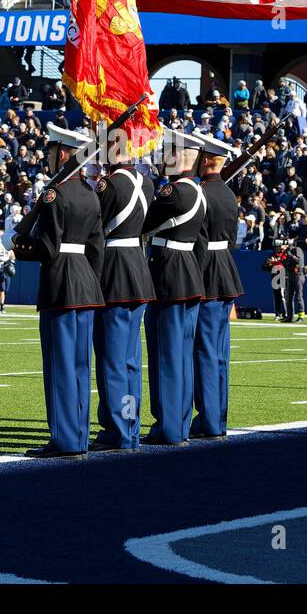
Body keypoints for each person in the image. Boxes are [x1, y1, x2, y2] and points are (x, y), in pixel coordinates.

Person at [12, 123, 105, 459]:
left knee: (60, 364)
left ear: (63, 153)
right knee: (80, 365)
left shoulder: (55, 194)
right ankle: (78, 434)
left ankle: (65, 439)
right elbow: (97, 249)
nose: (49, 157)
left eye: (52, 151)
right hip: (86, 284)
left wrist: (23, 246)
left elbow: (49, 248)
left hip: (61, 283)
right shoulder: (91, 194)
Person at [142, 128, 207, 447]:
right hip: (188, 275)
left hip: (167, 275)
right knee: (180, 355)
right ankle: (179, 421)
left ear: (180, 156)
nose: (162, 157)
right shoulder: (197, 192)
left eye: (167, 152)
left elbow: (143, 223)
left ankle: (168, 426)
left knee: (166, 355)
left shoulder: (173, 193)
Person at [91, 143, 156, 452]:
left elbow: (93, 224)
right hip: (138, 270)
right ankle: (129, 425)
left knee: (112, 360)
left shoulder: (109, 184)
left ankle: (117, 430)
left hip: (114, 272)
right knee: (130, 361)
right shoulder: (147, 182)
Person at [191, 135, 244, 440]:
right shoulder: (227, 194)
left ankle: (209, 420)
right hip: (225, 270)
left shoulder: (202, 194)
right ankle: (217, 416)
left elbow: (197, 241)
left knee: (207, 352)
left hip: (207, 274)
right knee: (219, 352)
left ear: (207, 160)